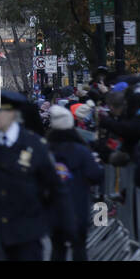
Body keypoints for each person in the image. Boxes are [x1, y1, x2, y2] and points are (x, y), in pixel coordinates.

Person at [0, 91, 61, 261]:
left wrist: (63, 227)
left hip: (26, 235)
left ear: (11, 113)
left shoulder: (34, 145)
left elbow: (54, 188)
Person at [45, 104, 102, 261]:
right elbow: (95, 175)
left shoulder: (45, 150)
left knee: (57, 248)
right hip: (77, 207)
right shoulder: (81, 151)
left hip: (53, 209)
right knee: (79, 248)